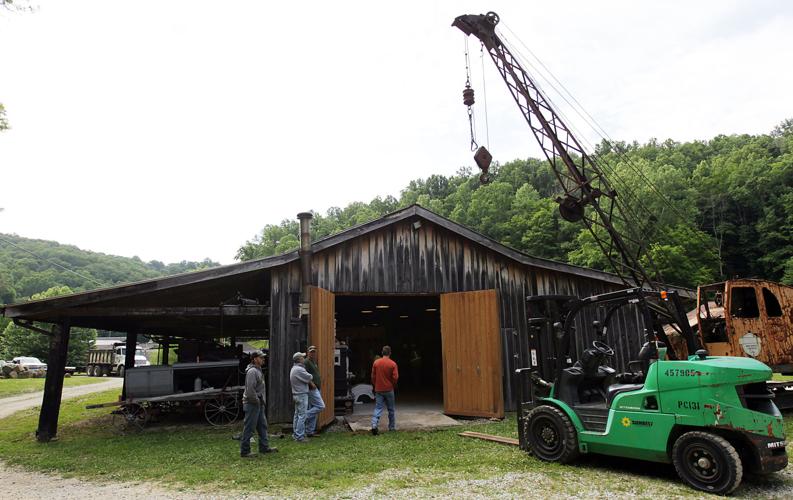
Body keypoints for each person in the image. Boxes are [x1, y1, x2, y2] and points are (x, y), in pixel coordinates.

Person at [240, 350, 277, 458]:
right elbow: (250, 390)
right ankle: (245, 451)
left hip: (258, 403)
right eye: (261, 358)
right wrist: (257, 401)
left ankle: (264, 447)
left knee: (262, 426)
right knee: (249, 427)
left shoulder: (258, 370)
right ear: (255, 359)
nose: (263, 359)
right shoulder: (252, 372)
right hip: (252, 403)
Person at [370, 345, 399, 435]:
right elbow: (395, 377)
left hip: (379, 389)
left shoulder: (376, 363)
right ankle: (392, 427)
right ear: (390, 353)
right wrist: (392, 385)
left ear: (382, 353)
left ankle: (374, 424)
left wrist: (375, 385)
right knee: (391, 409)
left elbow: (373, 376)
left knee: (378, 407)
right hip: (389, 389)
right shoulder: (393, 364)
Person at [290, 351, 315, 442]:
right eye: (303, 357)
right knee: (302, 416)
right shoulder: (299, 369)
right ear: (300, 359)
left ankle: (295, 434)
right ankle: (300, 436)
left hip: (296, 394)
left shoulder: (294, 368)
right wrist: (310, 375)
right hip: (301, 394)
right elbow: (309, 377)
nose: (304, 359)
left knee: (297, 415)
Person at [304, 345, 326, 437]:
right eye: (311, 351)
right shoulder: (306, 362)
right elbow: (304, 374)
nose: (313, 353)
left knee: (314, 409)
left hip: (316, 387)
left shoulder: (313, 362)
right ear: (308, 352)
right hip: (312, 388)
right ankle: (303, 417)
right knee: (320, 406)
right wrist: (311, 383)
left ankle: (310, 432)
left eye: (314, 352)